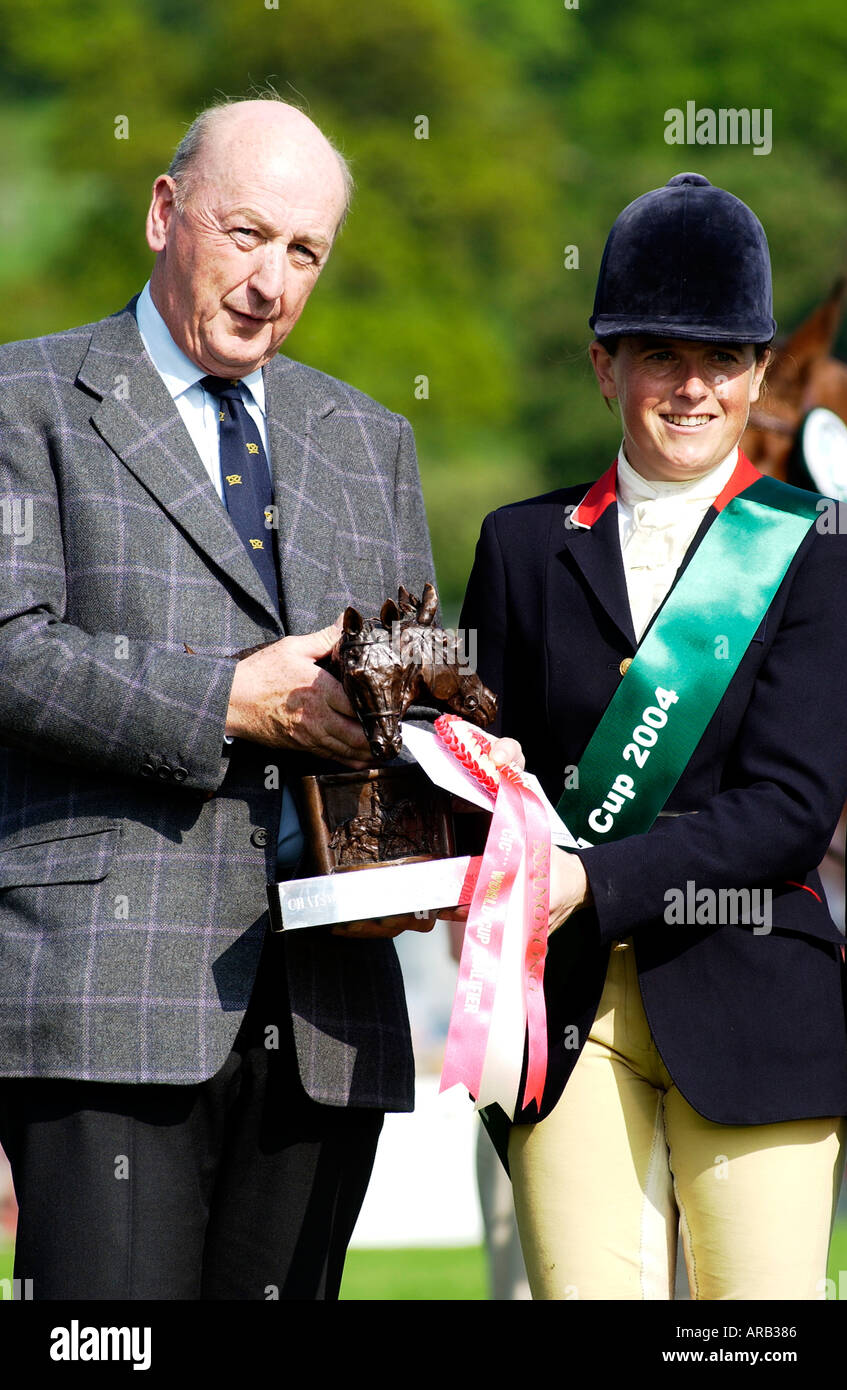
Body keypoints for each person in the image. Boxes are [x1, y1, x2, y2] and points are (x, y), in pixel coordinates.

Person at [0, 97, 436, 1300]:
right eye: (245, 234)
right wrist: (229, 702)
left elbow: (407, 684)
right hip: (107, 994)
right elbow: (8, 647)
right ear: (163, 212)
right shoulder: (22, 401)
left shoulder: (370, 438)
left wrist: (444, 762)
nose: (269, 281)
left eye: (304, 253)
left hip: (329, 1011)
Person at [460, 173, 847, 1300]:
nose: (692, 388)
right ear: (603, 365)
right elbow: (485, 755)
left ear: (762, 372)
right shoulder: (519, 547)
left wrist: (589, 875)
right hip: (562, 1008)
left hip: (751, 989)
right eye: (660, 355)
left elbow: (786, 809)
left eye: (722, 360)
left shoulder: (815, 553)